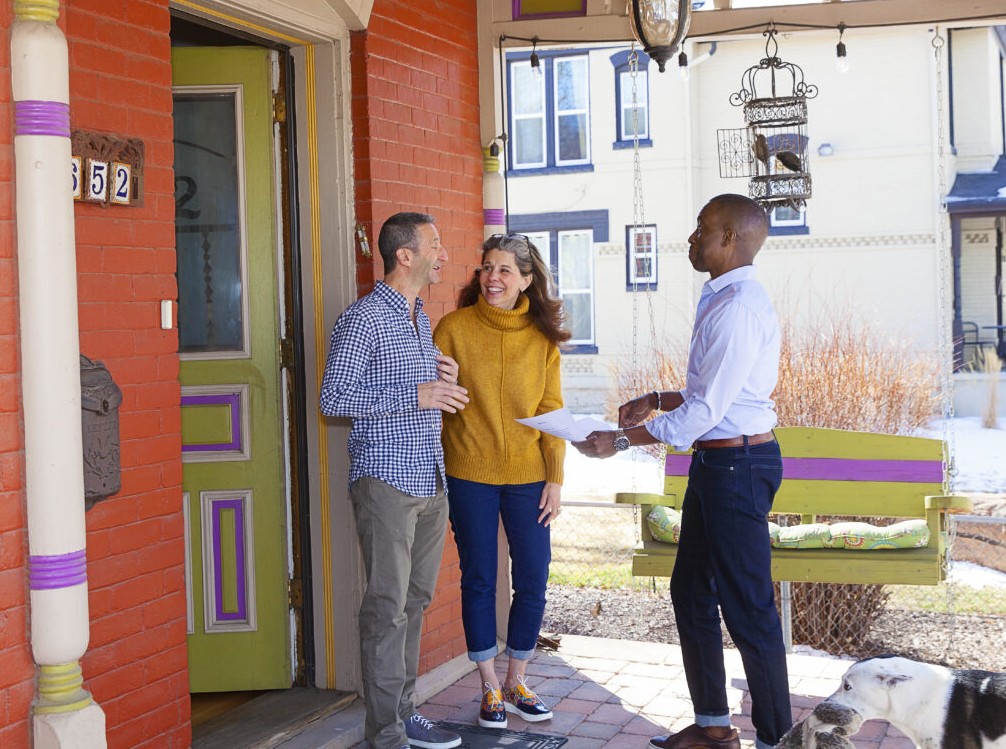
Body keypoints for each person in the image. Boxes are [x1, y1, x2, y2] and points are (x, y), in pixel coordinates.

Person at [574, 194, 790, 749]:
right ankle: (715, 727)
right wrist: (657, 396)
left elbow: (704, 414)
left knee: (749, 611)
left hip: (736, 465)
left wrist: (620, 439)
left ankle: (776, 740)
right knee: (691, 590)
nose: (692, 239)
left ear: (730, 240)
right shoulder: (723, 297)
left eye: (702, 230)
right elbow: (718, 392)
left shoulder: (739, 306)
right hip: (721, 462)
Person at [319, 212, 470, 749]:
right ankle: (385, 735)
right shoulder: (362, 320)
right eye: (435, 244)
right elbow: (333, 399)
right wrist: (417, 395)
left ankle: (404, 714)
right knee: (386, 607)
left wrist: (440, 379)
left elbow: (411, 389)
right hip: (385, 480)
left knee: (414, 601)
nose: (444, 254)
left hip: (429, 477)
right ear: (404, 255)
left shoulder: (417, 315)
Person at [432, 234, 570, 730]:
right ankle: (489, 686)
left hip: (530, 476)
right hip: (469, 471)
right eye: (487, 267)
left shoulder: (542, 339)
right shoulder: (452, 329)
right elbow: (435, 402)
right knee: (480, 577)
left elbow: (551, 412)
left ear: (527, 279)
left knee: (533, 576)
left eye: (505, 270)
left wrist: (555, 477)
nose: (492, 277)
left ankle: (517, 679)